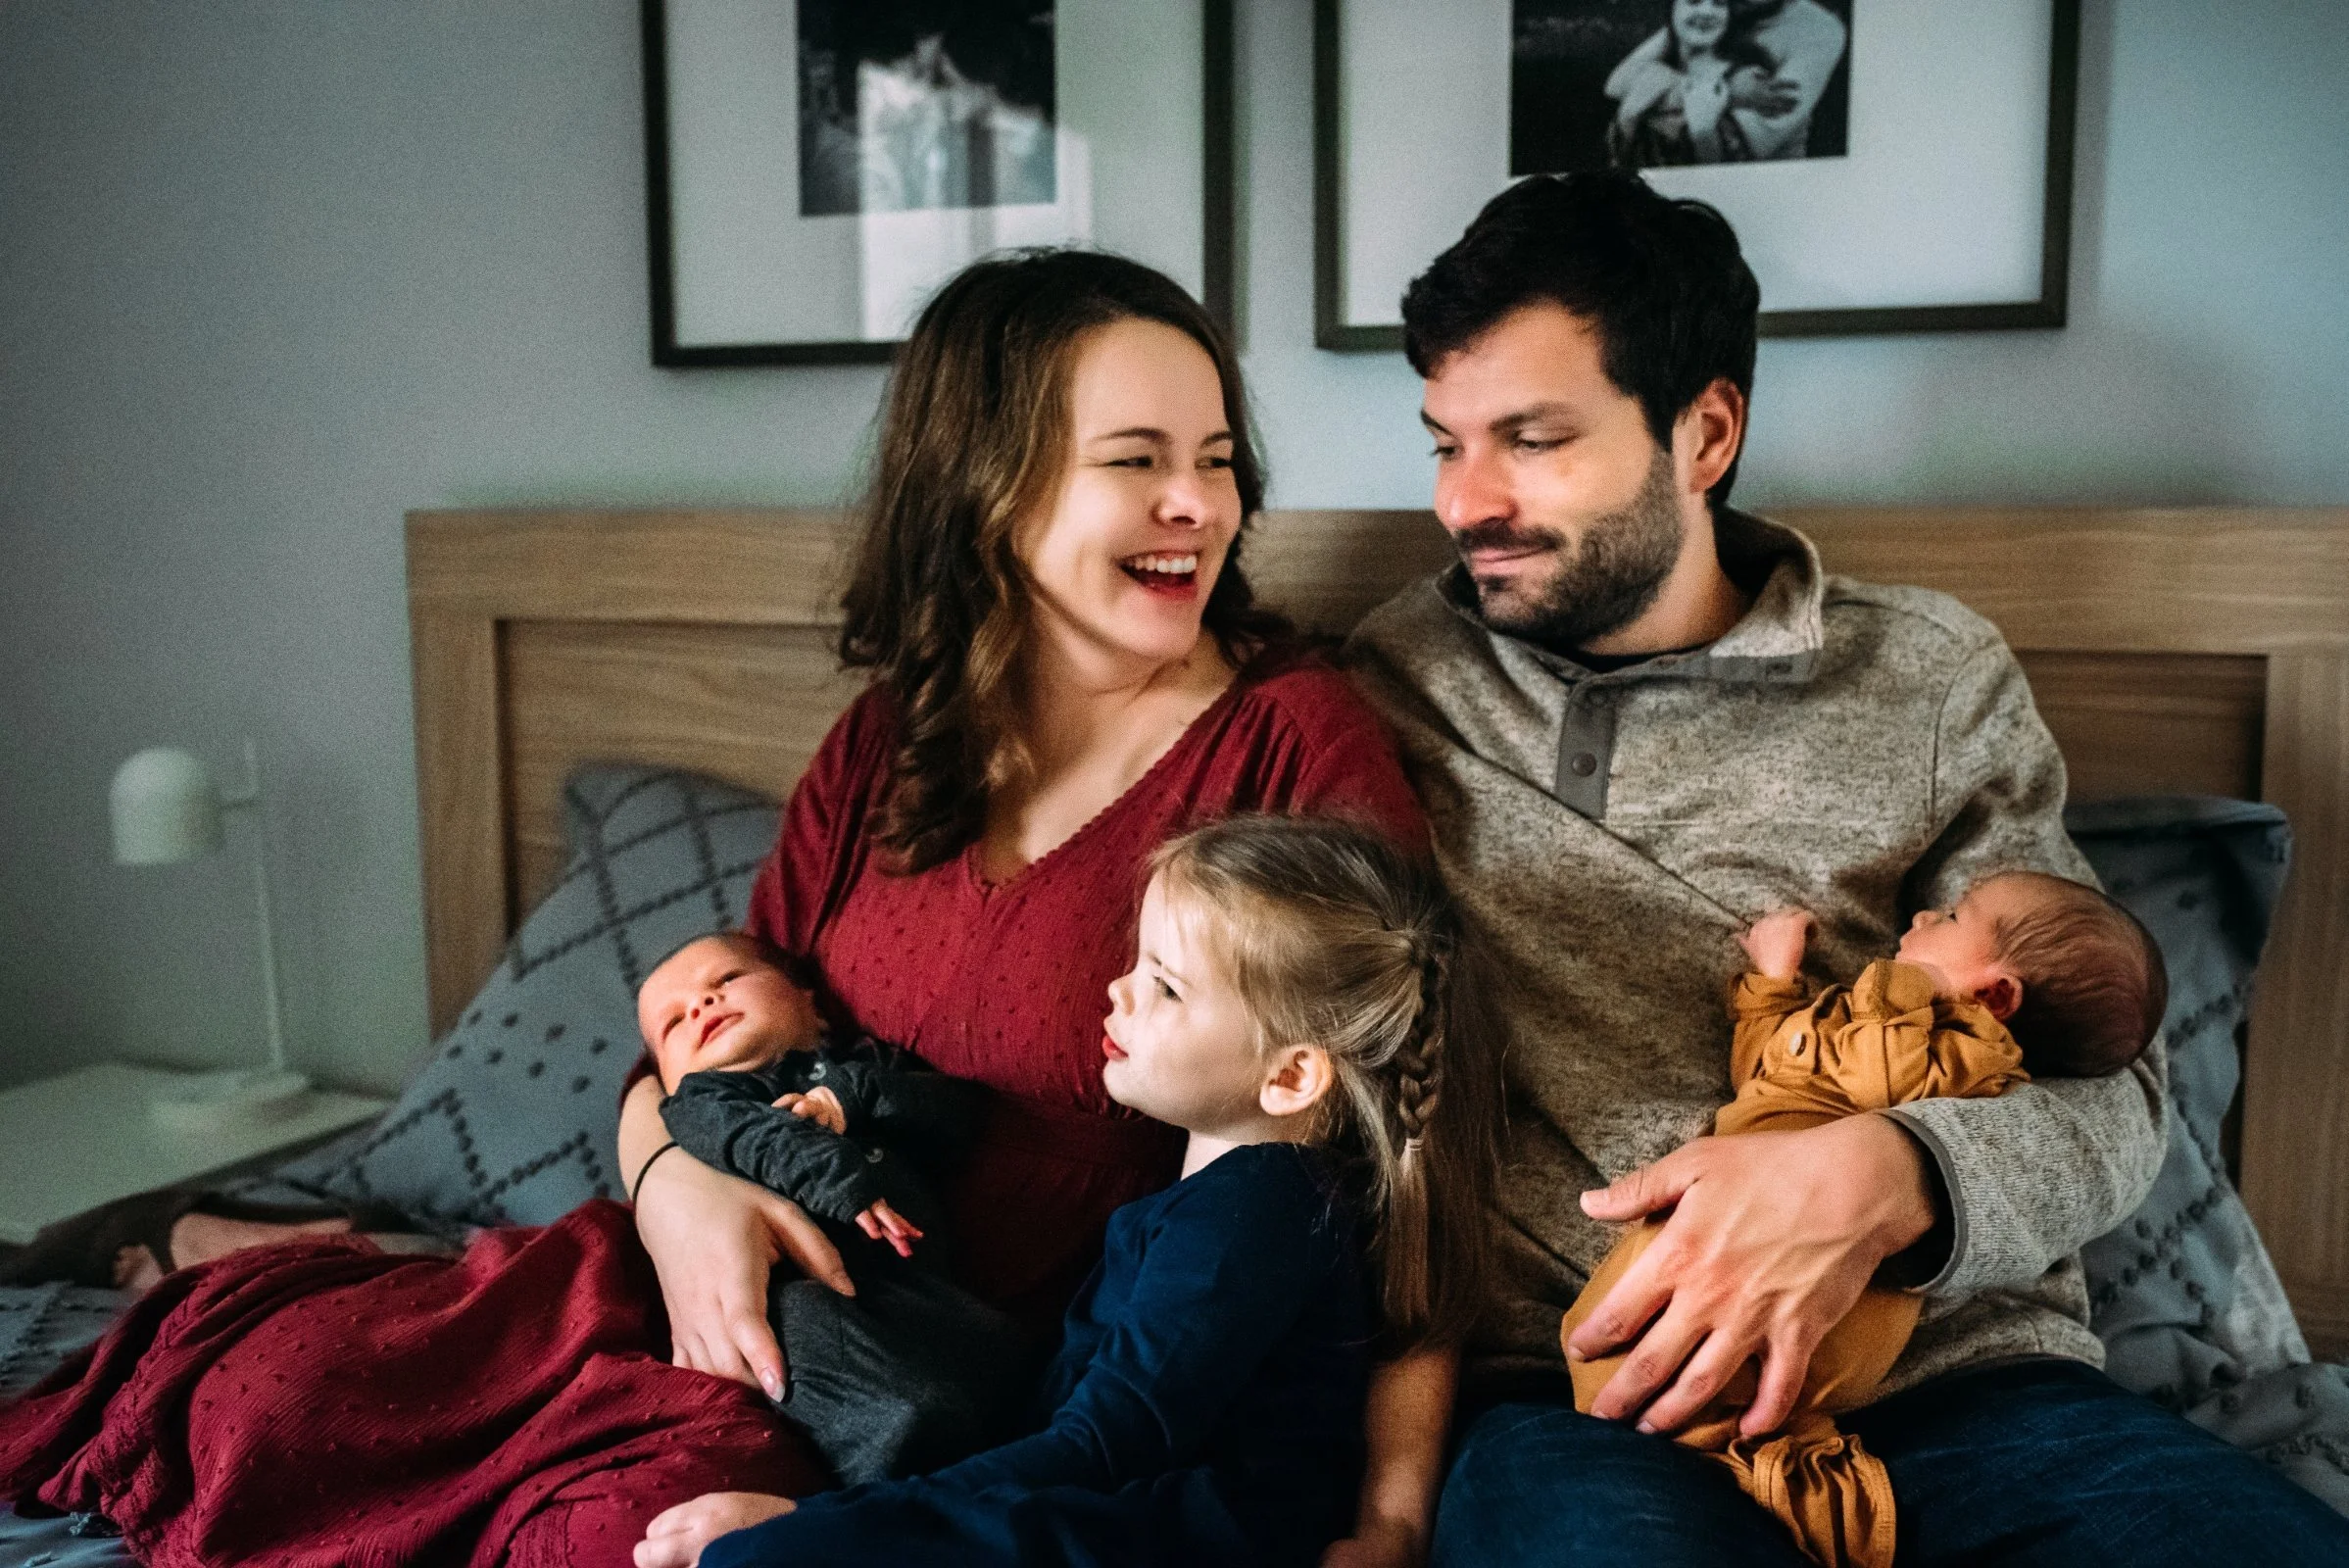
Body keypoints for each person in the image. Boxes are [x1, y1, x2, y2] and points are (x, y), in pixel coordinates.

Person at [0, 250, 1430, 1566]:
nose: (1202, 505)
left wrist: (1387, 1514)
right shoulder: (890, 742)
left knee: (635, 1541)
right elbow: (694, 1051)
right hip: (676, 1283)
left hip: (935, 1400)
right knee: (272, 1390)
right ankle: (230, 1254)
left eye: (1220, 462)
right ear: (988, 489)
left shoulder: (1292, 751)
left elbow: (1403, 1144)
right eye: (1138, 462)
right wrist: (678, 1193)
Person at [1344, 171, 2349, 1564]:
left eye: (1533, 439)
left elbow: (2115, 1088)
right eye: (1444, 441)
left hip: (1956, 1381)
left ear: (1704, 431)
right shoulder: (1386, 685)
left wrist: (1893, 1171)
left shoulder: (1928, 678)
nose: (1467, 501)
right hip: (1586, 1397)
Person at [633, 813, 1499, 1568]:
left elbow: (1105, 1443)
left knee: (763, 1554)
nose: (1117, 990)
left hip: (1197, 1537)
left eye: (1163, 986)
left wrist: (826, 1526)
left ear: (1290, 1076)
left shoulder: (1253, 1213)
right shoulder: (1236, 1200)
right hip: (1128, 1506)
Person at [1564, 873, 2169, 1567]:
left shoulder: (1961, 1051)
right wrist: (1773, 977)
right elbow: (1776, 1068)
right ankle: (1772, 1476)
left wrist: (1905, 997)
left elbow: (1877, 1074)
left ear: (1995, 996)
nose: (1918, 914)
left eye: (1946, 915)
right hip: (1617, 1374)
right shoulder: (1864, 1031)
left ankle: (1800, 1490)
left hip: (1933, 1357)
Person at [638, 932, 1033, 1486]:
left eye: (725, 981)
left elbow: (957, 1111)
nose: (701, 1005)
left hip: (921, 1291)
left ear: (808, 1000)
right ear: (666, 1078)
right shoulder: (701, 1103)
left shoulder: (868, 1062)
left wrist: (850, 1097)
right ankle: (889, 1477)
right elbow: (758, 1140)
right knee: (815, 1342)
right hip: (805, 1290)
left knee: (1003, 1361)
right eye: (673, 1023)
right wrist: (844, 1186)